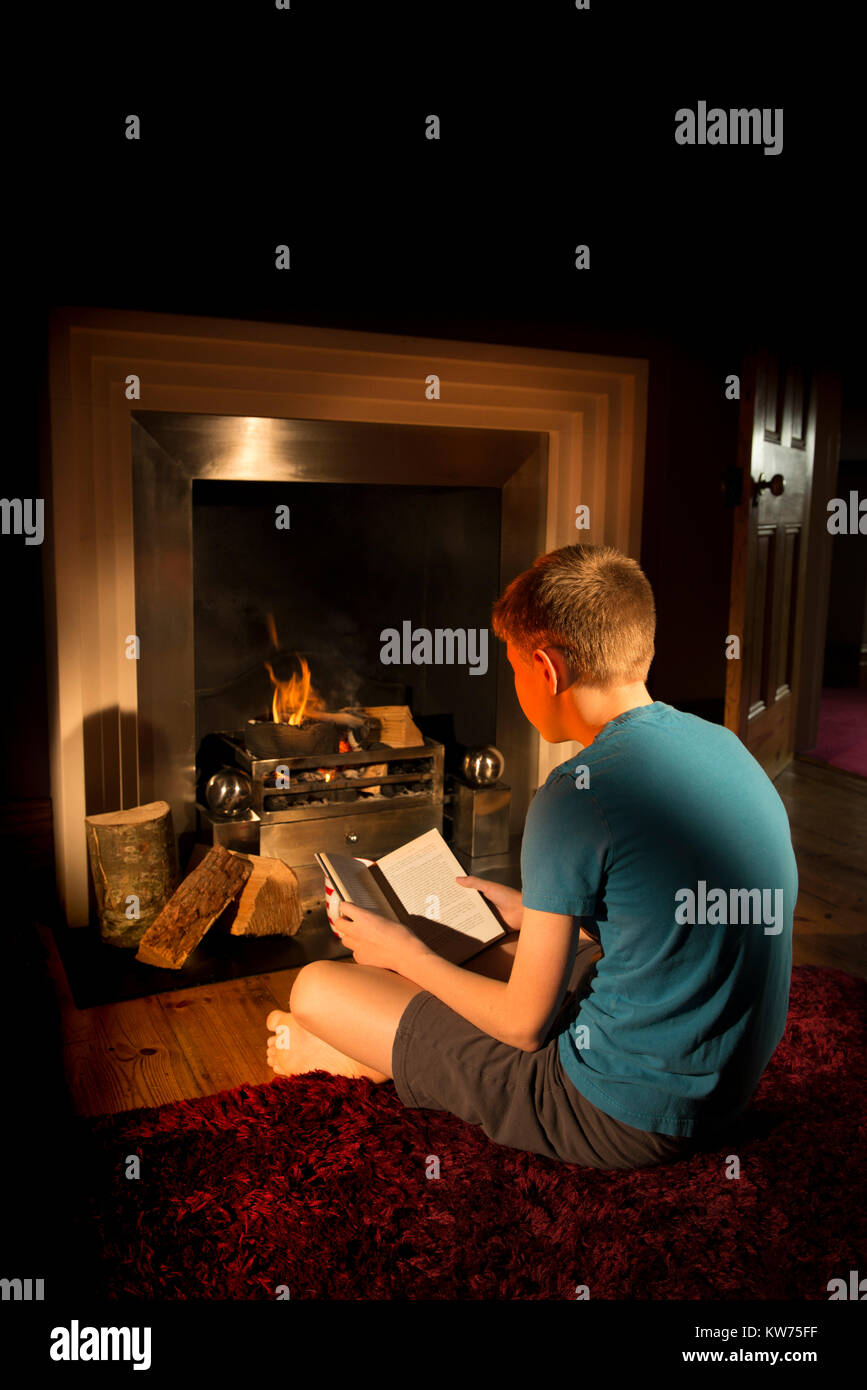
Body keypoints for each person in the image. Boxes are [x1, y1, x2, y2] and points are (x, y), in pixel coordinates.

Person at [266, 544, 797, 1169]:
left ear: (545, 669)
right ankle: (391, 1041)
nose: (515, 681)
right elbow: (675, 914)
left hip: (616, 1115)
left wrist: (401, 954)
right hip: (724, 1089)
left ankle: (350, 1057)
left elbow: (523, 1027)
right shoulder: (723, 743)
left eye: (513, 667)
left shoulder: (575, 795)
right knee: (486, 943)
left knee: (316, 988)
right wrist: (534, 909)